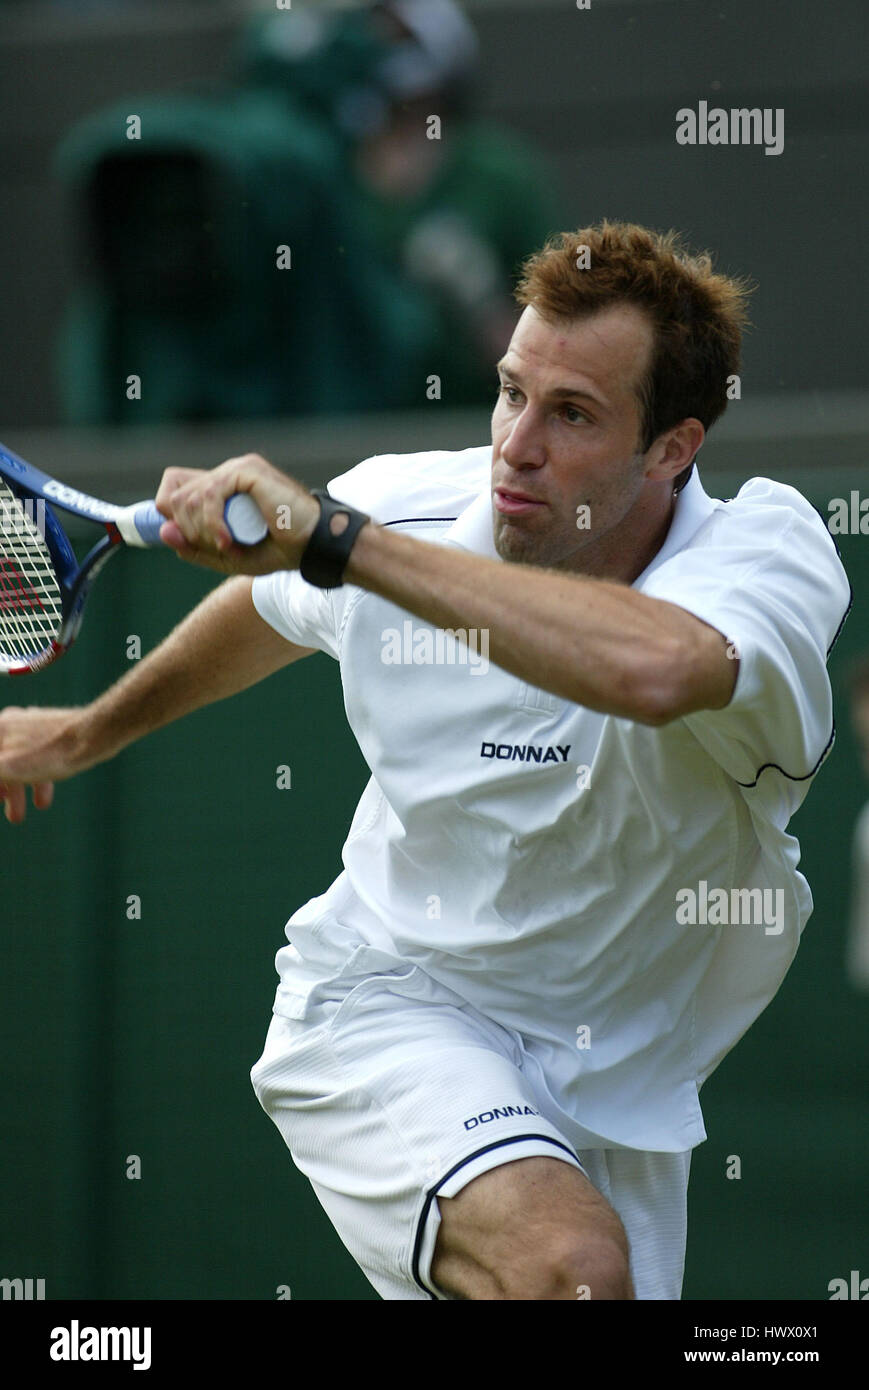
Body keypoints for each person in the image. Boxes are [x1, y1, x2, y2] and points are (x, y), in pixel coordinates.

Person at [0, 222, 851, 1301]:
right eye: (509, 392)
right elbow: (264, 608)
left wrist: (344, 544)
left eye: (571, 414)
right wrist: (81, 732)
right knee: (571, 1271)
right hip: (388, 1003)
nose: (516, 444)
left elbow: (655, 669)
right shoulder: (406, 505)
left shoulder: (764, 553)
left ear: (671, 448)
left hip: (619, 1081)